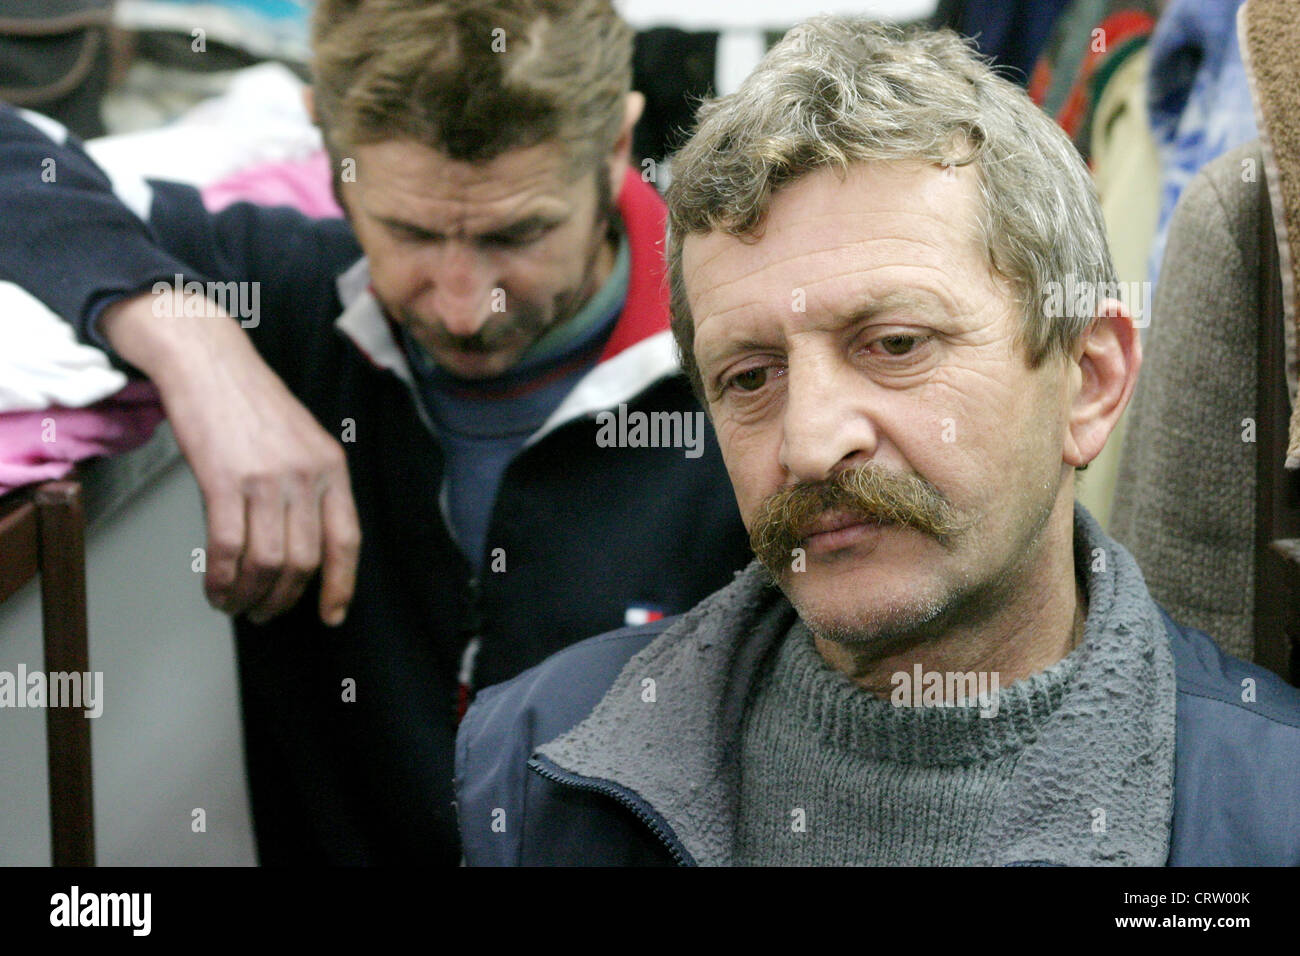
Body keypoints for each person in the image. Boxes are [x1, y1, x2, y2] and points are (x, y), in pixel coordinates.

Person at [454, 17, 1300, 866]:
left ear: (1089, 378)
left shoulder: (1269, 811)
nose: (813, 442)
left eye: (894, 345)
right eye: (750, 377)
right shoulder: (540, 768)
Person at [0, 0, 752, 864]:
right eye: (411, 233)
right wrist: (194, 341)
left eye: (519, 233)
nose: (464, 306)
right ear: (325, 142)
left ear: (617, 144)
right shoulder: (280, 291)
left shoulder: (751, 361)